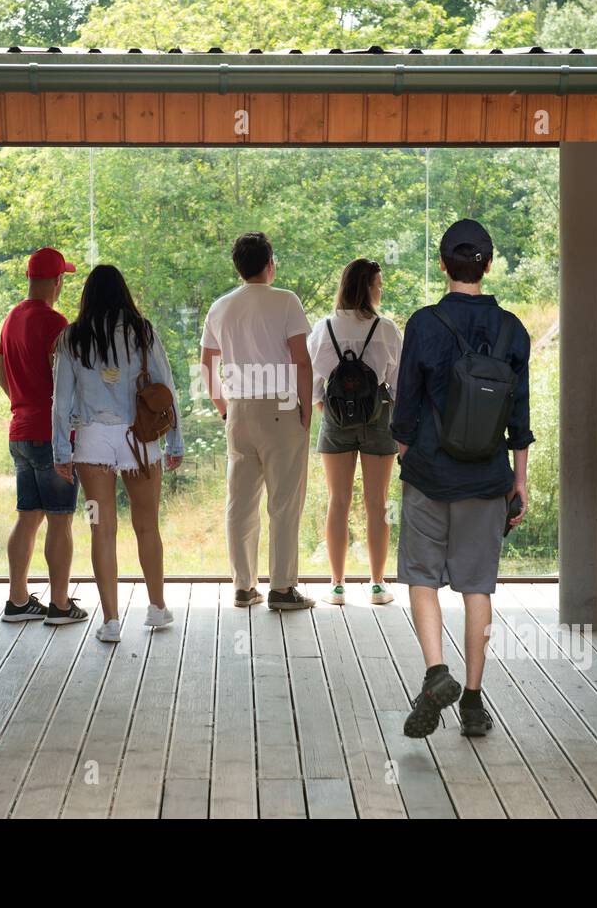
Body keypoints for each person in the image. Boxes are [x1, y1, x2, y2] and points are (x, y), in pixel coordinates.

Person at [391, 219, 533, 739]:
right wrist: (518, 481)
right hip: (487, 479)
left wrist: (408, 457)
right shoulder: (512, 330)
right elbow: (520, 415)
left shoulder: (424, 325)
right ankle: (473, 703)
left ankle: (436, 673)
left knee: (422, 579)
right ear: (488, 266)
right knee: (477, 589)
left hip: (429, 474)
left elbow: (405, 409)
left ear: (444, 265)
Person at [51, 265, 184, 643]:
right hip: (139, 441)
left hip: (92, 444)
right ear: (123, 292)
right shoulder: (142, 331)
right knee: (147, 525)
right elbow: (166, 387)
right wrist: (175, 442)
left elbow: (61, 403)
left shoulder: (71, 338)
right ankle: (156, 608)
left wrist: (61, 450)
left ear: (87, 296)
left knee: (101, 529)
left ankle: (110, 621)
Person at [200, 231, 315, 611]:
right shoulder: (286, 301)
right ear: (270, 264)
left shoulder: (220, 307)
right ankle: (282, 589)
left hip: (239, 410)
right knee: (284, 502)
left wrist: (222, 407)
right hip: (281, 408)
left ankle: (244, 586)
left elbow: (208, 363)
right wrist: (305, 409)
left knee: (241, 502)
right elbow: (300, 359)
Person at [0, 247, 88, 626]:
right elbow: (68, 380)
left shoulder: (11, 318)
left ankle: (18, 600)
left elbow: (3, 377)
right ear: (57, 281)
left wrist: (25, 404)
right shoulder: (56, 323)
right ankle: (60, 604)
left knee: (28, 517)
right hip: (51, 435)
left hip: (19, 431)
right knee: (61, 519)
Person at [307, 258, 403, 606]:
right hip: (379, 418)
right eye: (378, 283)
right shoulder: (387, 329)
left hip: (335, 420)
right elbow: (398, 384)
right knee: (377, 504)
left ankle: (336, 585)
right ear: (366, 288)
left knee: (338, 501)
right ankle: (377, 585)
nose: (381, 289)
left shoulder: (323, 328)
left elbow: (314, 384)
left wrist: (328, 411)